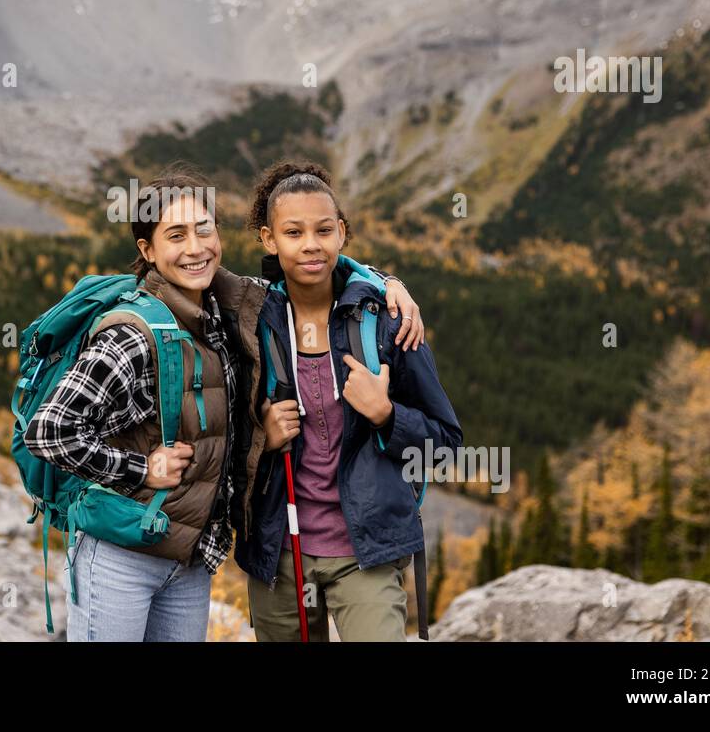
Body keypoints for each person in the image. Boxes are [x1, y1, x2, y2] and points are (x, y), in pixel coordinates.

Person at [24, 163, 424, 641]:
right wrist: (140, 469)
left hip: (189, 561)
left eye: (204, 230)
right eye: (176, 236)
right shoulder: (133, 333)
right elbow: (49, 431)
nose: (195, 248)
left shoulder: (225, 308)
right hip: (121, 554)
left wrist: (383, 283)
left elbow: (315, 264)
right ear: (148, 251)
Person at [234, 161, 462, 641]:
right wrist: (263, 437)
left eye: (323, 229)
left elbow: (446, 443)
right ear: (269, 240)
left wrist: (386, 415)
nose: (310, 244)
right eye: (293, 232)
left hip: (367, 552)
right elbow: (220, 435)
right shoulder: (251, 321)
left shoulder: (390, 323)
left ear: (342, 233)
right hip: (278, 551)